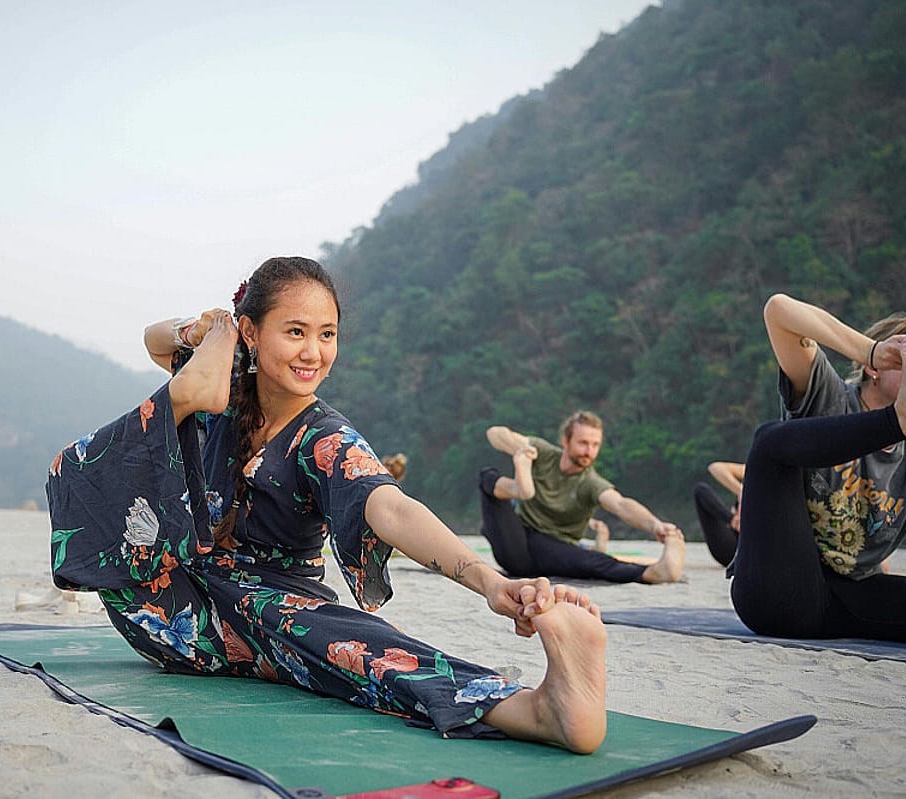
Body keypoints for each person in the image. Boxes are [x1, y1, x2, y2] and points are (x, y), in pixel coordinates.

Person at [46, 257, 608, 753]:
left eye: (327, 334)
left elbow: (391, 509)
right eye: (295, 332)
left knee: (348, 646)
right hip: (174, 609)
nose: (313, 353)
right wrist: (208, 329)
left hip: (271, 613)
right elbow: (154, 340)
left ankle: (538, 710)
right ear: (251, 332)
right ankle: (179, 398)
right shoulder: (224, 383)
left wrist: (489, 582)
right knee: (81, 469)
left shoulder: (326, 439)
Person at [729, 293, 906, 652]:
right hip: (777, 591)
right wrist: (871, 350)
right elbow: (779, 310)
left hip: (850, 600)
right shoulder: (829, 397)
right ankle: (897, 420)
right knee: (768, 443)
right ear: (875, 368)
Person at [478, 412, 685, 584]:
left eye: (595, 445)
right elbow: (494, 433)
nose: (589, 451)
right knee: (487, 476)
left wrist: (655, 525)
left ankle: (655, 572)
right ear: (566, 441)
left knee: (593, 561)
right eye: (583, 443)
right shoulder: (544, 454)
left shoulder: (591, 483)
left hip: (554, 549)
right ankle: (518, 488)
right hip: (514, 539)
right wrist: (520, 449)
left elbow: (621, 504)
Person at [693, 461, 744, 567]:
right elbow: (716, 468)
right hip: (733, 544)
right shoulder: (757, 469)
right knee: (701, 490)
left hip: (758, 544)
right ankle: (731, 520)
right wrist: (742, 492)